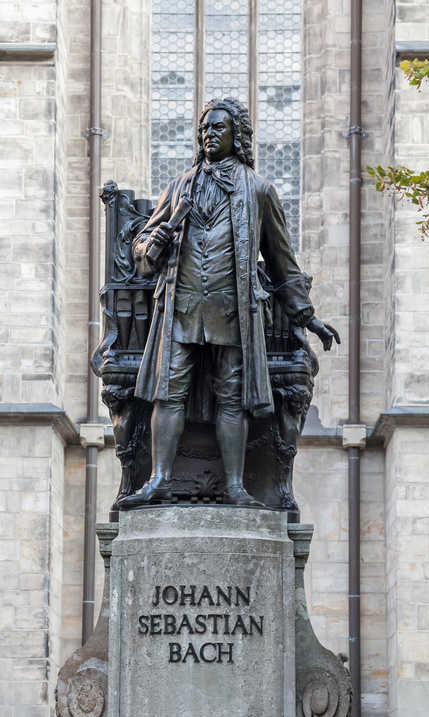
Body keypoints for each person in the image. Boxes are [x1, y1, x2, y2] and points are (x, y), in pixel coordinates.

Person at [120, 97, 340, 509]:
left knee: (233, 396)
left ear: (237, 136)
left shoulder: (259, 191)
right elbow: (141, 247)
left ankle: (236, 486)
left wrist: (308, 318)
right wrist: (157, 240)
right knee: (168, 392)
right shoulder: (179, 186)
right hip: (180, 307)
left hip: (233, 309)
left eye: (217, 128)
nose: (208, 135)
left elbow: (282, 261)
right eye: (204, 129)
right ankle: (160, 479)